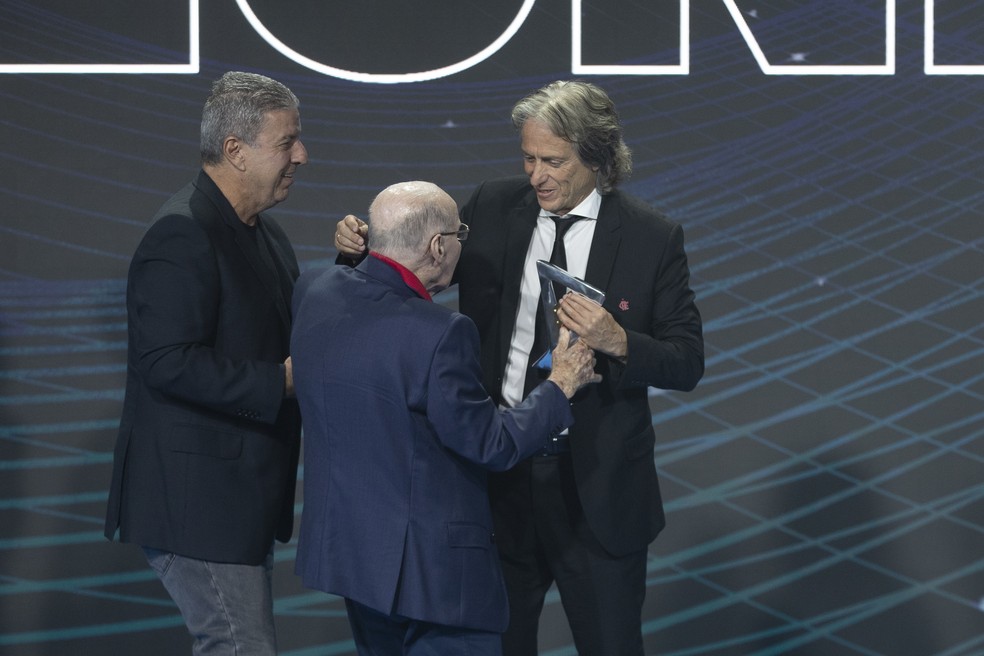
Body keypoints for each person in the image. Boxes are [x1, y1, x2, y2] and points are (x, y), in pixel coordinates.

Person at [335, 81, 704, 655]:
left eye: (553, 161)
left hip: (597, 494)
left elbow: (686, 360)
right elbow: (409, 272)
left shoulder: (652, 238)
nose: (537, 175)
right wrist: (361, 252)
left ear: (599, 158)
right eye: (529, 158)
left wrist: (619, 340)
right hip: (496, 483)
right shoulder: (491, 207)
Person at [291, 181, 601, 655]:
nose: (463, 243)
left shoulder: (314, 289)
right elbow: (491, 444)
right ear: (438, 246)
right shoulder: (441, 333)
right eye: (460, 233)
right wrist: (562, 384)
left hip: (355, 560)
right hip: (433, 577)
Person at [104, 71, 309, 655]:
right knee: (238, 644)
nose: (301, 154)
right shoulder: (182, 233)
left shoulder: (264, 233)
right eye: (286, 141)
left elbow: (277, 329)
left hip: (237, 495)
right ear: (235, 151)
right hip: (196, 501)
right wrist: (280, 382)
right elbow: (165, 361)